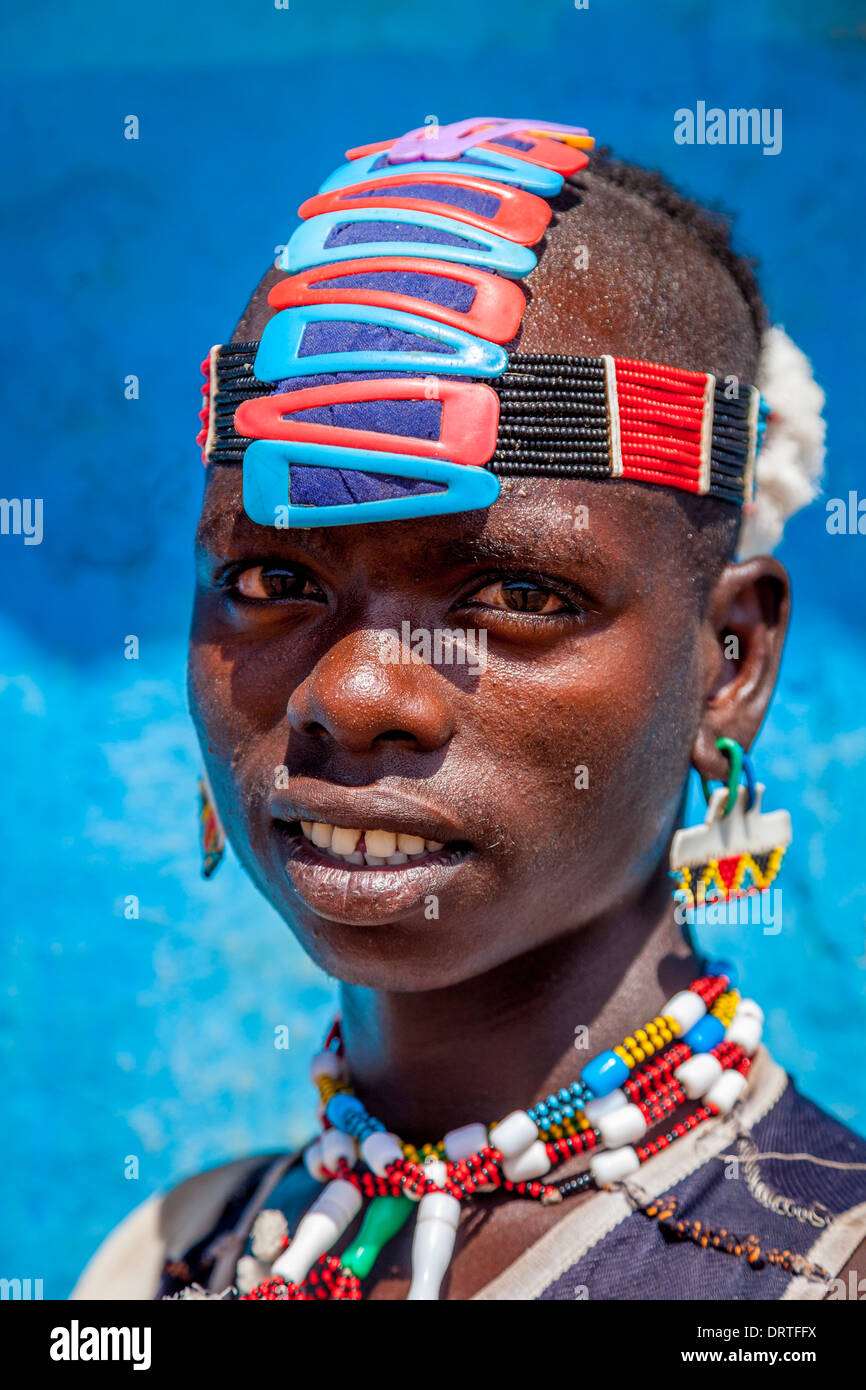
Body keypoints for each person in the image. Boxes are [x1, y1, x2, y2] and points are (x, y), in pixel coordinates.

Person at [73, 118, 866, 1302]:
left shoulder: (812, 1272)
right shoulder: (162, 1261)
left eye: (516, 593)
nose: (348, 696)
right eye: (270, 582)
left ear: (730, 662)